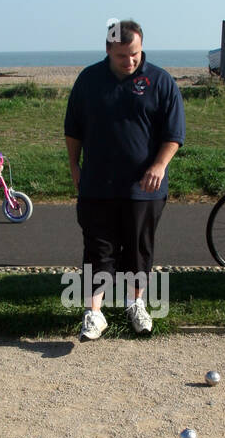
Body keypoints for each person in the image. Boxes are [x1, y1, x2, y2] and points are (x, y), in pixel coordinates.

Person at [64, 19, 185, 339]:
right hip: (97, 184)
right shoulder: (89, 80)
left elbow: (174, 134)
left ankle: (136, 304)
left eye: (135, 54)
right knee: (98, 249)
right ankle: (94, 314)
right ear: (108, 49)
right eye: (122, 56)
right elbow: (73, 129)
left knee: (138, 250)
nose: (130, 61)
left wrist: (159, 165)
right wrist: (74, 166)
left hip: (143, 188)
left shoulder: (160, 81)